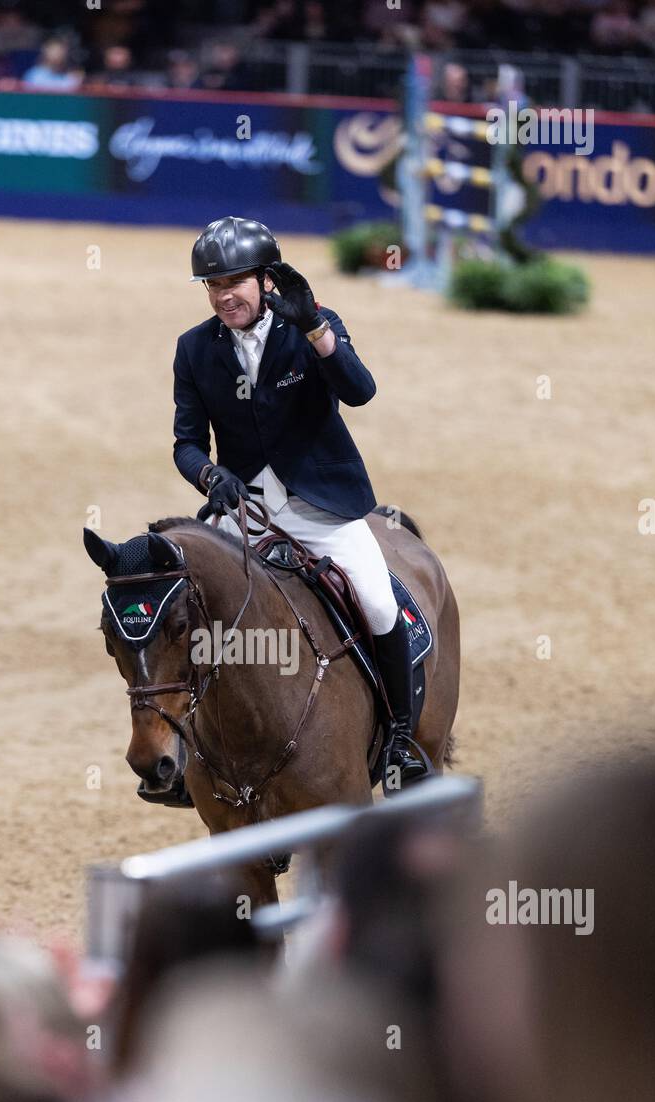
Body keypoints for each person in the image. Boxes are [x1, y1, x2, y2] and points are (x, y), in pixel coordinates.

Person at [173, 215, 428, 786]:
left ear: (267, 279)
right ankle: (192, 746)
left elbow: (360, 391)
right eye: (213, 285)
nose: (223, 296)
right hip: (245, 510)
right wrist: (211, 476)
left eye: (234, 282)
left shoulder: (314, 325)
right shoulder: (194, 349)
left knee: (379, 605)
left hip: (321, 505)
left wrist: (314, 327)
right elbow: (186, 443)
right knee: (193, 610)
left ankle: (401, 741)